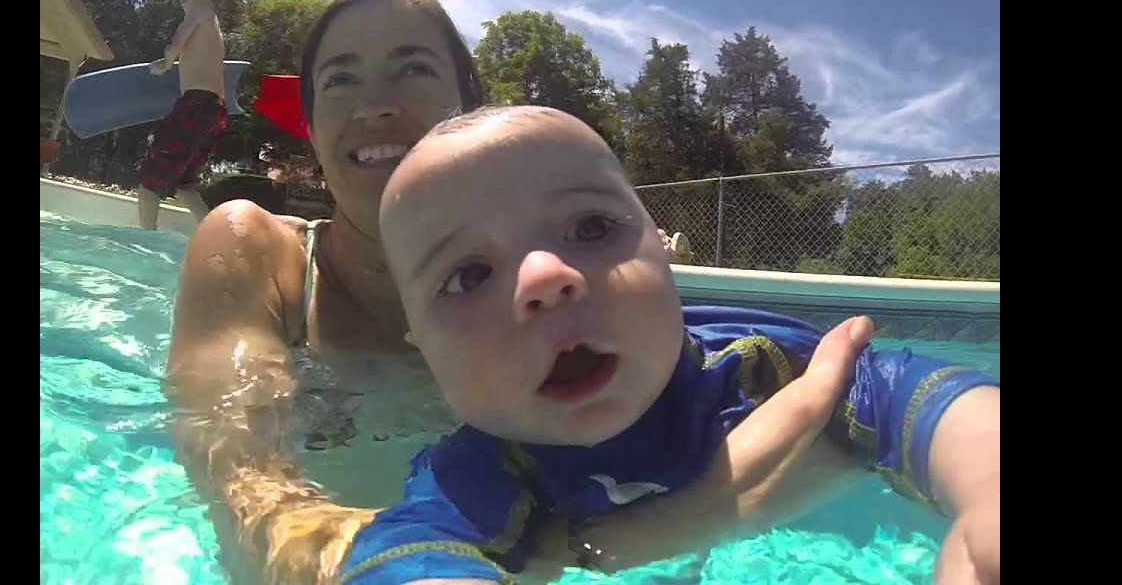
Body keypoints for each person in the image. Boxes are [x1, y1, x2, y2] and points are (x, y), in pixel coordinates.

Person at [163, 0, 963, 585]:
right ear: (308, 118)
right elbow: (242, 484)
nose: (374, 104)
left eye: (410, 69)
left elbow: (900, 401)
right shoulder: (257, 248)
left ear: (467, 105)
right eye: (340, 79)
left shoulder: (667, 339)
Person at [336, 106, 1001, 584]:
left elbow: (903, 392)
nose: (545, 278)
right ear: (418, 344)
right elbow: (407, 548)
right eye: (468, 276)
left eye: (591, 227)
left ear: (664, 249)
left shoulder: (750, 367)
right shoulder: (482, 470)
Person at [138, 0, 230, 229]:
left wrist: (166, 62)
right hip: (214, 111)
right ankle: (215, 236)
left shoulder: (200, 10)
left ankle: (144, 243)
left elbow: (177, 41)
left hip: (197, 104)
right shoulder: (212, 24)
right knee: (184, 184)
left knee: (150, 179)